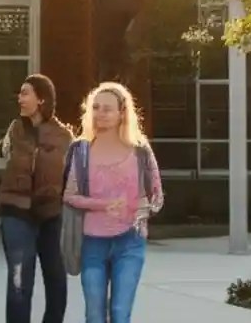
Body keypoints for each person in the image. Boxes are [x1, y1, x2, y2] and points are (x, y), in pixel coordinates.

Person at [63, 82, 164, 323]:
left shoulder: (140, 151)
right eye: (95, 107)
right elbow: (68, 195)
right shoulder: (81, 151)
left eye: (107, 109)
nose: (100, 113)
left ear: (122, 113)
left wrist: (142, 212)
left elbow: (157, 196)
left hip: (130, 242)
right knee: (95, 315)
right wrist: (102, 204)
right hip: (92, 243)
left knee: (120, 313)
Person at [0, 74, 74, 323]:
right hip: (15, 209)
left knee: (55, 277)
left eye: (25, 93)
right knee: (20, 276)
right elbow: (6, 156)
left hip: (50, 212)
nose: (20, 98)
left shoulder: (64, 137)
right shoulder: (15, 129)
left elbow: (70, 174)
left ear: (41, 99)